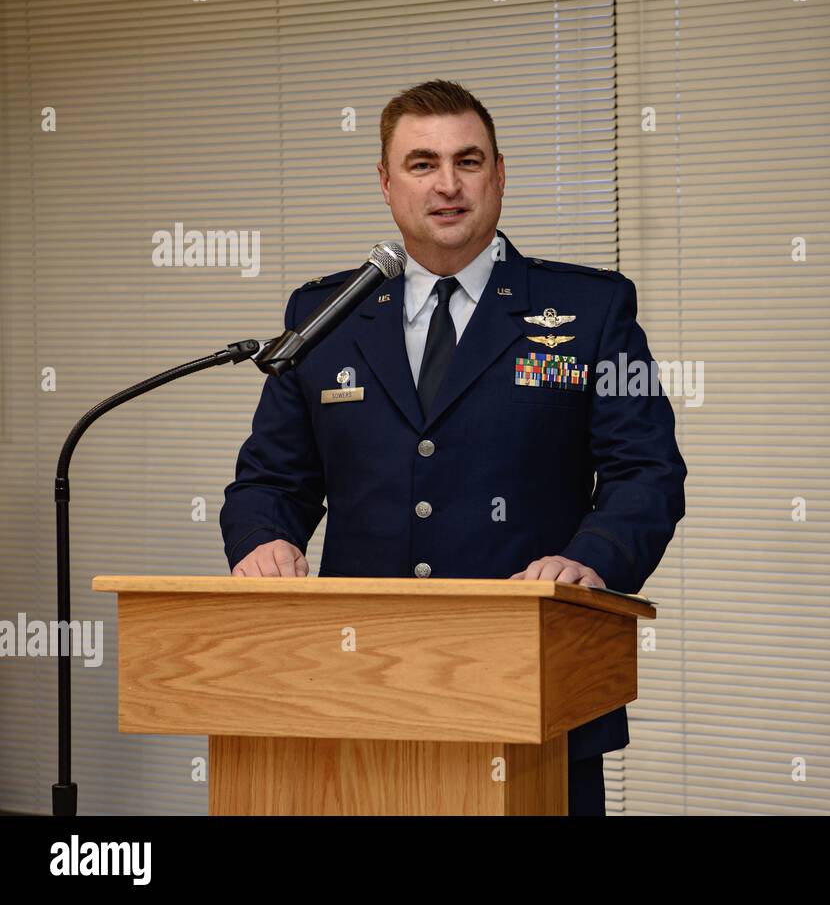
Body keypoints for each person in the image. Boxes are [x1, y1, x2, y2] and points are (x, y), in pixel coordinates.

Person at [219, 79, 687, 815]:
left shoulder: (592, 310)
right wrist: (263, 541)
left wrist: (590, 559)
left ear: (499, 173)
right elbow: (268, 482)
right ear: (384, 181)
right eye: (422, 163)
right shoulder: (324, 315)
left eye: (468, 161)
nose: (447, 184)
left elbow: (647, 472)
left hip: (534, 697)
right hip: (355, 698)